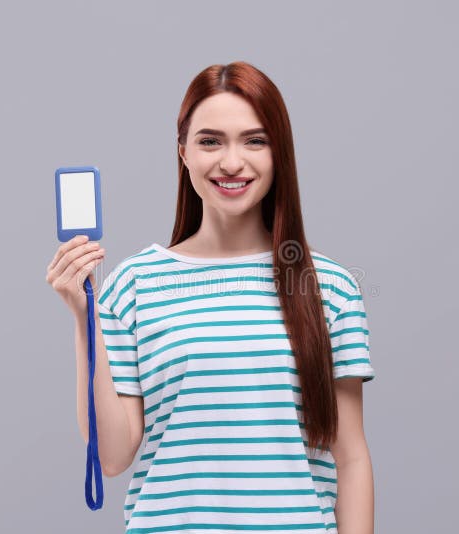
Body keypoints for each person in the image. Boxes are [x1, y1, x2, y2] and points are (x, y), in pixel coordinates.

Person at [46, 61, 375, 534]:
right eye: (210, 141)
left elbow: (352, 458)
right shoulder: (134, 284)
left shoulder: (330, 287)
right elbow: (114, 457)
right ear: (182, 152)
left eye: (254, 140)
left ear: (279, 153)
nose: (232, 162)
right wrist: (84, 318)